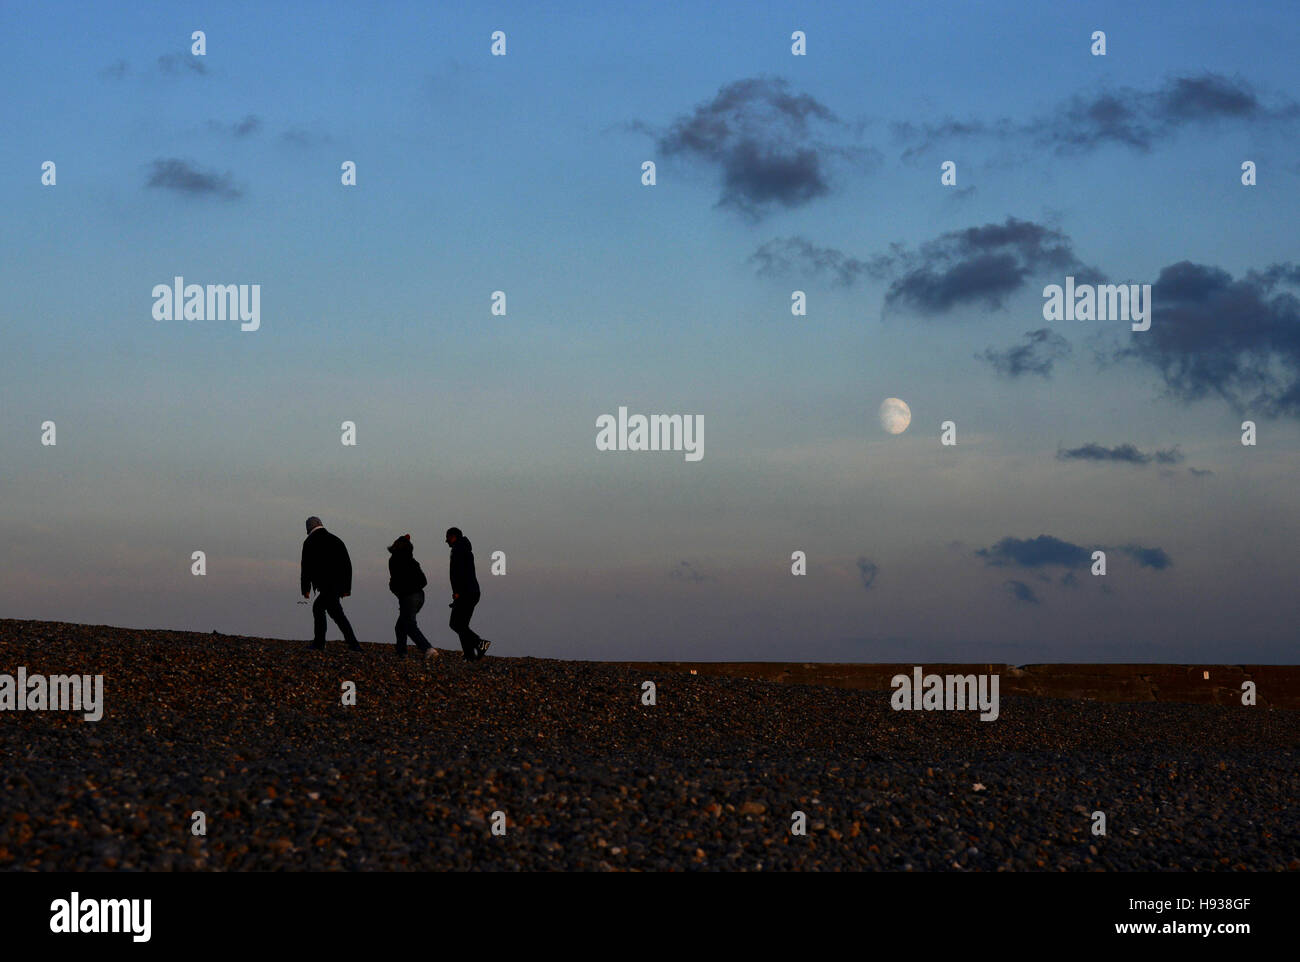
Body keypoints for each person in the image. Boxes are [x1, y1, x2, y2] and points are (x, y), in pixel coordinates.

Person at [300, 516, 362, 652]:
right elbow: (347, 565)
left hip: (326, 586)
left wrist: (306, 589)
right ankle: (353, 644)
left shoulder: (309, 542)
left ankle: (319, 643)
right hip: (337, 585)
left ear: (309, 528)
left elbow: (306, 568)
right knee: (336, 613)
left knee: (320, 609)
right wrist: (346, 588)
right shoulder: (336, 540)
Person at [388, 534, 436, 658]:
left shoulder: (394, 560)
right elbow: (423, 580)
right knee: (401, 626)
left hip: (408, 597)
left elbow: (396, 581)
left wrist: (397, 589)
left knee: (409, 625)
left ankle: (427, 649)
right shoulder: (413, 561)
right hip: (420, 596)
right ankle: (401, 652)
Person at [446, 527, 490, 660]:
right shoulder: (464, 549)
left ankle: (479, 644)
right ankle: (470, 654)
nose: (446, 541)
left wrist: (458, 592)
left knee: (456, 623)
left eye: (447, 537)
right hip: (471, 592)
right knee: (461, 624)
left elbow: (459, 573)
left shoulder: (458, 550)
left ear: (453, 537)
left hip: (466, 593)